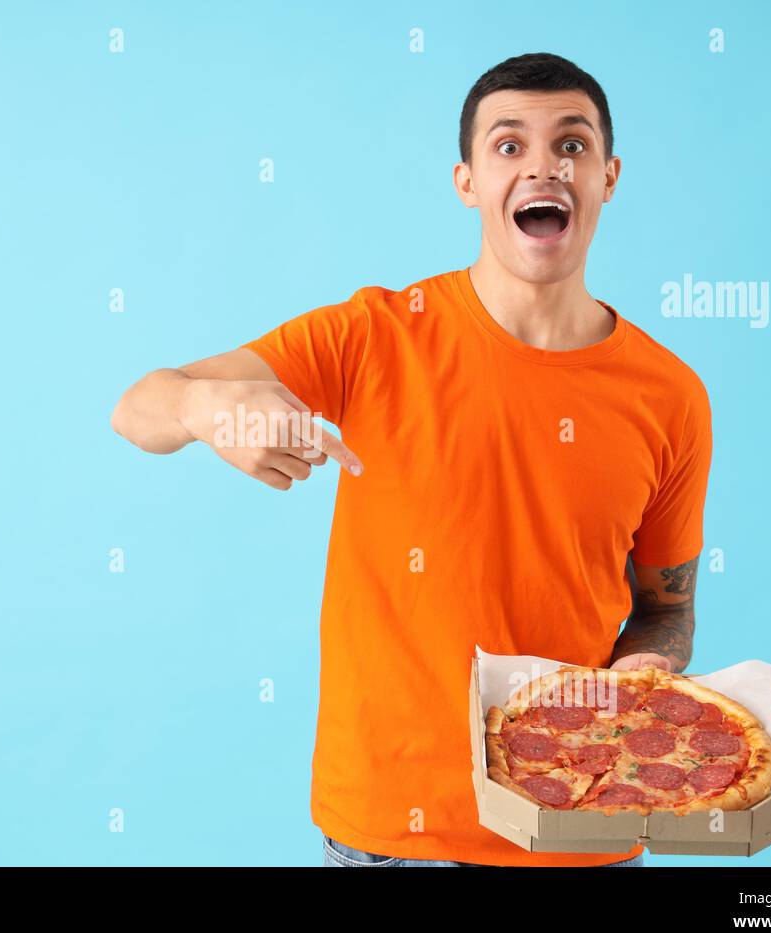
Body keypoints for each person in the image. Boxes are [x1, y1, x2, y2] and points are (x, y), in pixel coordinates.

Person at [110, 52, 711, 867]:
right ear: (467, 181)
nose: (543, 165)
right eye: (509, 146)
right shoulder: (375, 336)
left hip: (575, 826)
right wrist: (207, 407)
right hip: (387, 834)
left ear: (607, 176)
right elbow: (138, 407)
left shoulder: (669, 394)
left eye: (571, 145)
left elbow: (666, 607)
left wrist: (643, 671)